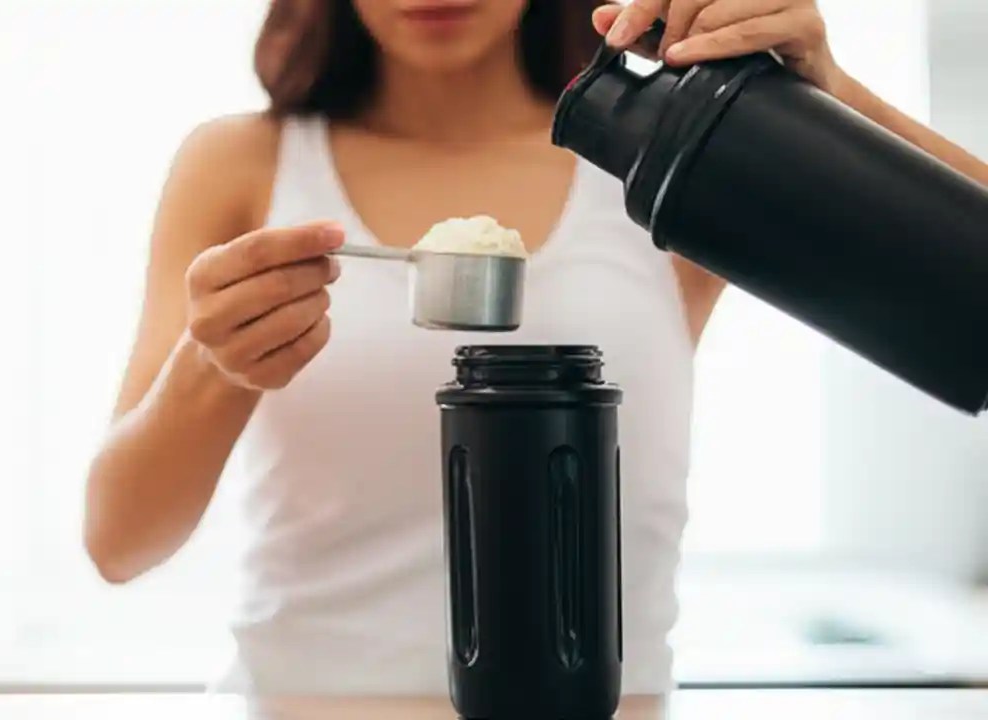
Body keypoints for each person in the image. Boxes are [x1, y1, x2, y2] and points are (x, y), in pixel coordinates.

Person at [84, 0, 988, 697]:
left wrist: (825, 98)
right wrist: (216, 363)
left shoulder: (664, 163)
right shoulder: (241, 163)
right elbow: (119, 543)